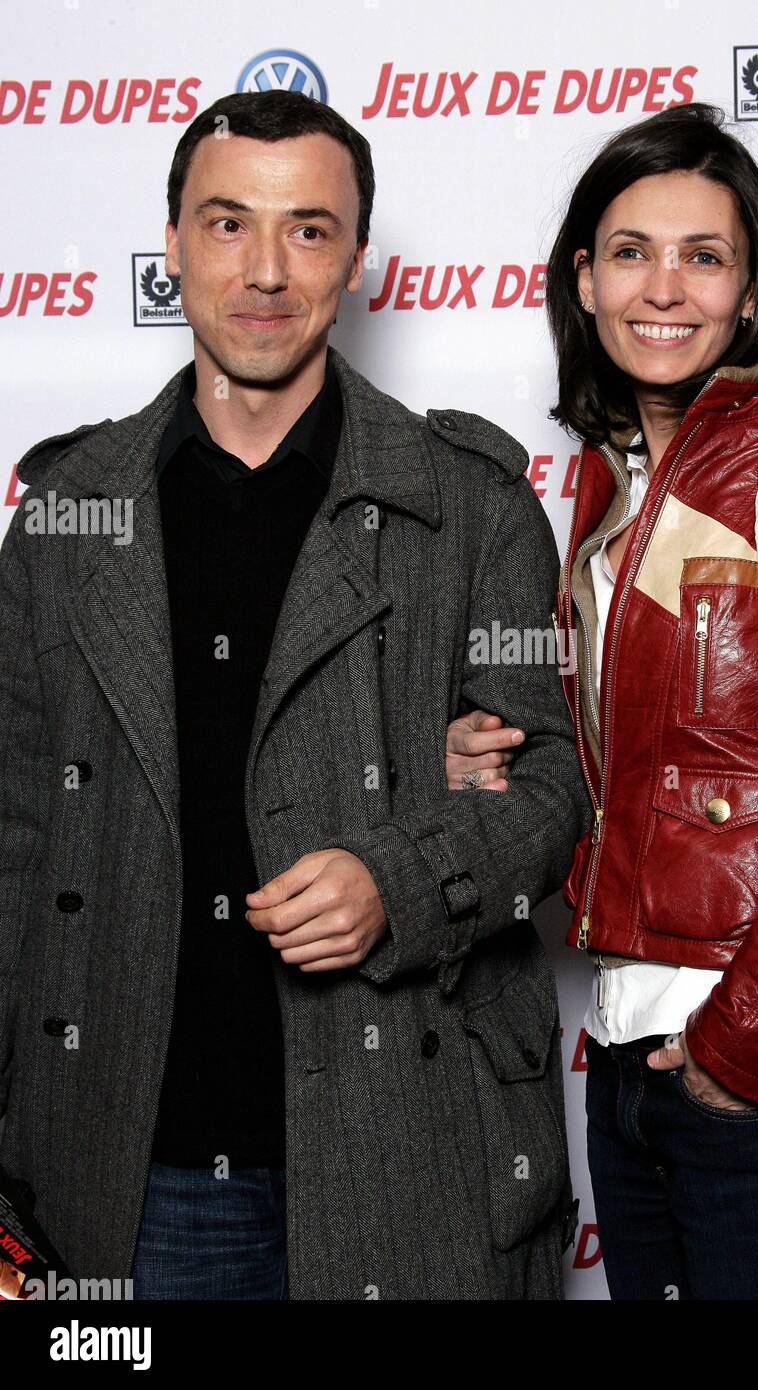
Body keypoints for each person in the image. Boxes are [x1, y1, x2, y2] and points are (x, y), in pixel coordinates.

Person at [0, 89, 590, 1300]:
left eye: (310, 230)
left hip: (402, 1143)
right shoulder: (67, 510)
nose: (267, 270)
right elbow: (12, 837)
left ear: (358, 258)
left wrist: (402, 877)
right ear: (169, 246)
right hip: (120, 1159)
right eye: (228, 224)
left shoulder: (472, 503)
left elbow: (551, 788)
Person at [445, 102, 758, 1300]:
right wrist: (502, 757)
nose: (663, 288)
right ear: (584, 280)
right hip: (627, 1055)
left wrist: (747, 1042)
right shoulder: (603, 493)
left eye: (704, 256)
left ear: (752, 287)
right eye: (630, 252)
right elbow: (644, 766)